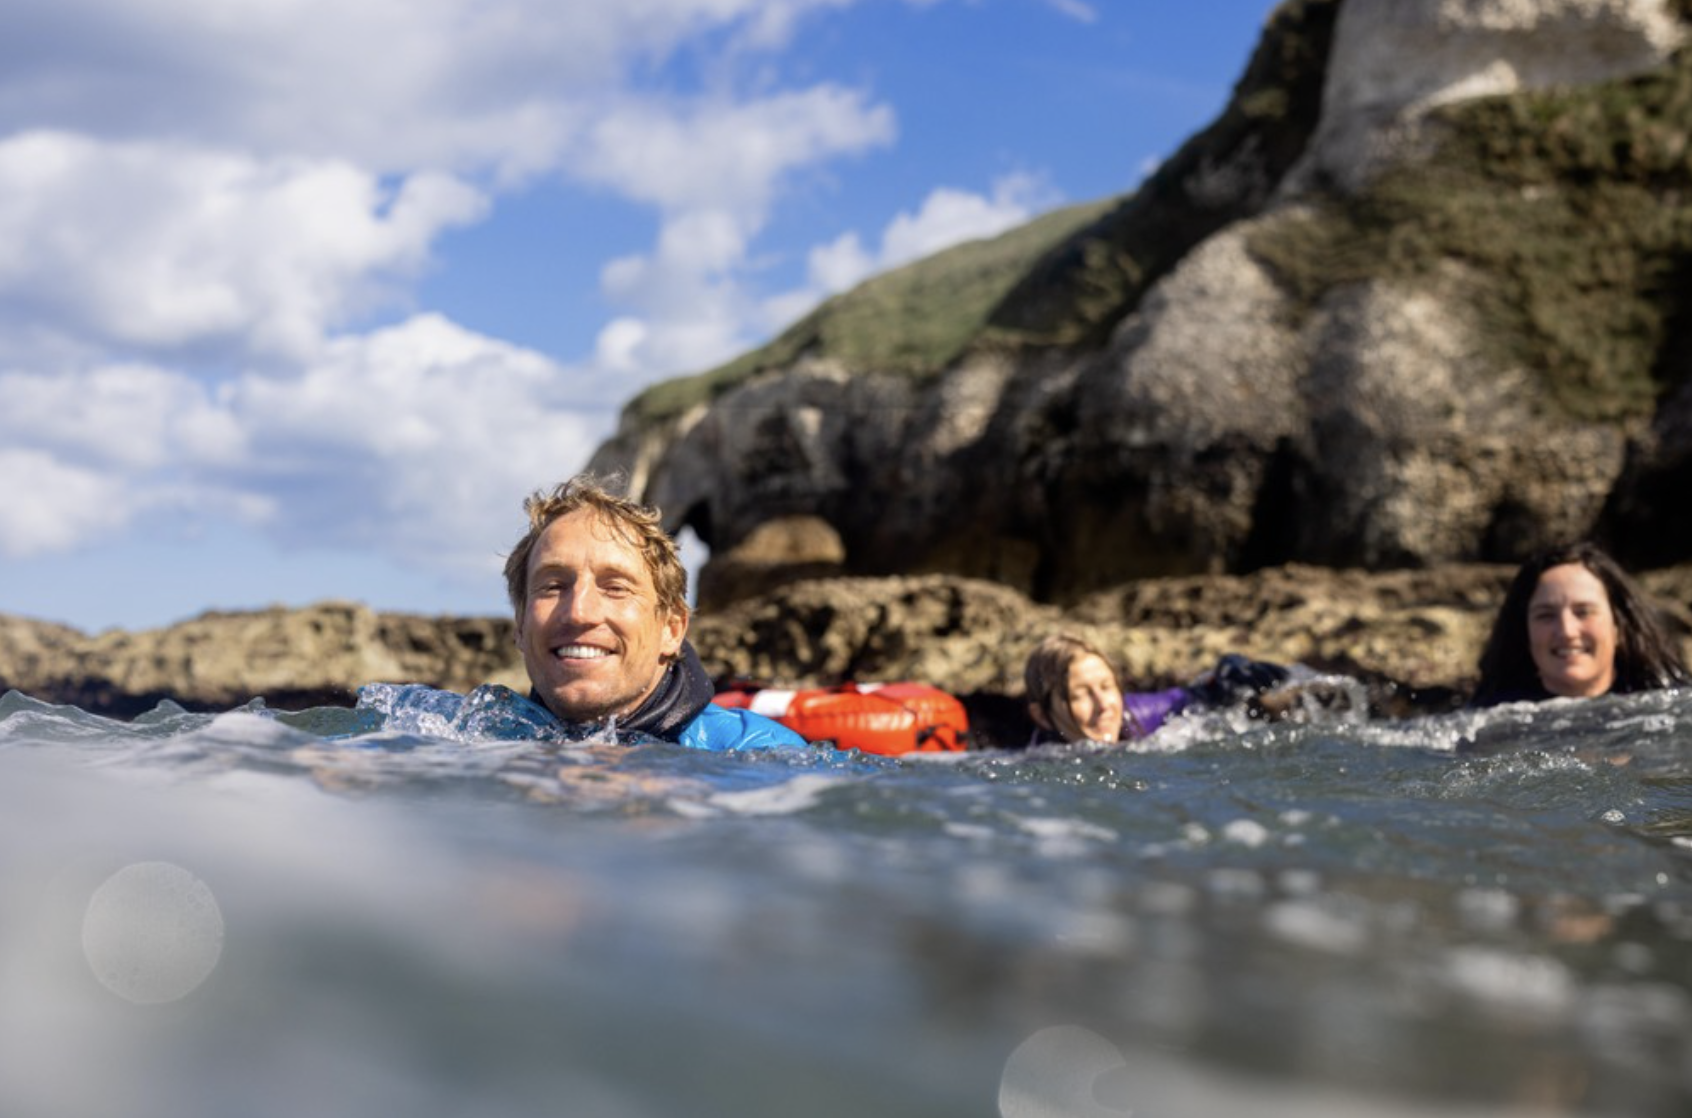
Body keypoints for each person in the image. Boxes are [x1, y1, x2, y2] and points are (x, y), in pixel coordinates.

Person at [1470, 541, 1690, 707]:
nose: (1566, 630)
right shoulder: (1482, 725)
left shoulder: (1669, 708)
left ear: (1619, 628)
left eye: (1584, 612)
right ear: (1524, 632)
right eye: (1545, 615)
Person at [1022, 633, 1298, 746]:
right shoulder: (1032, 768)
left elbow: (1204, 693)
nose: (1103, 704)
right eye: (1080, 694)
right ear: (1041, 716)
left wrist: (1232, 672)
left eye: (1107, 687)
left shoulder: (1141, 715)